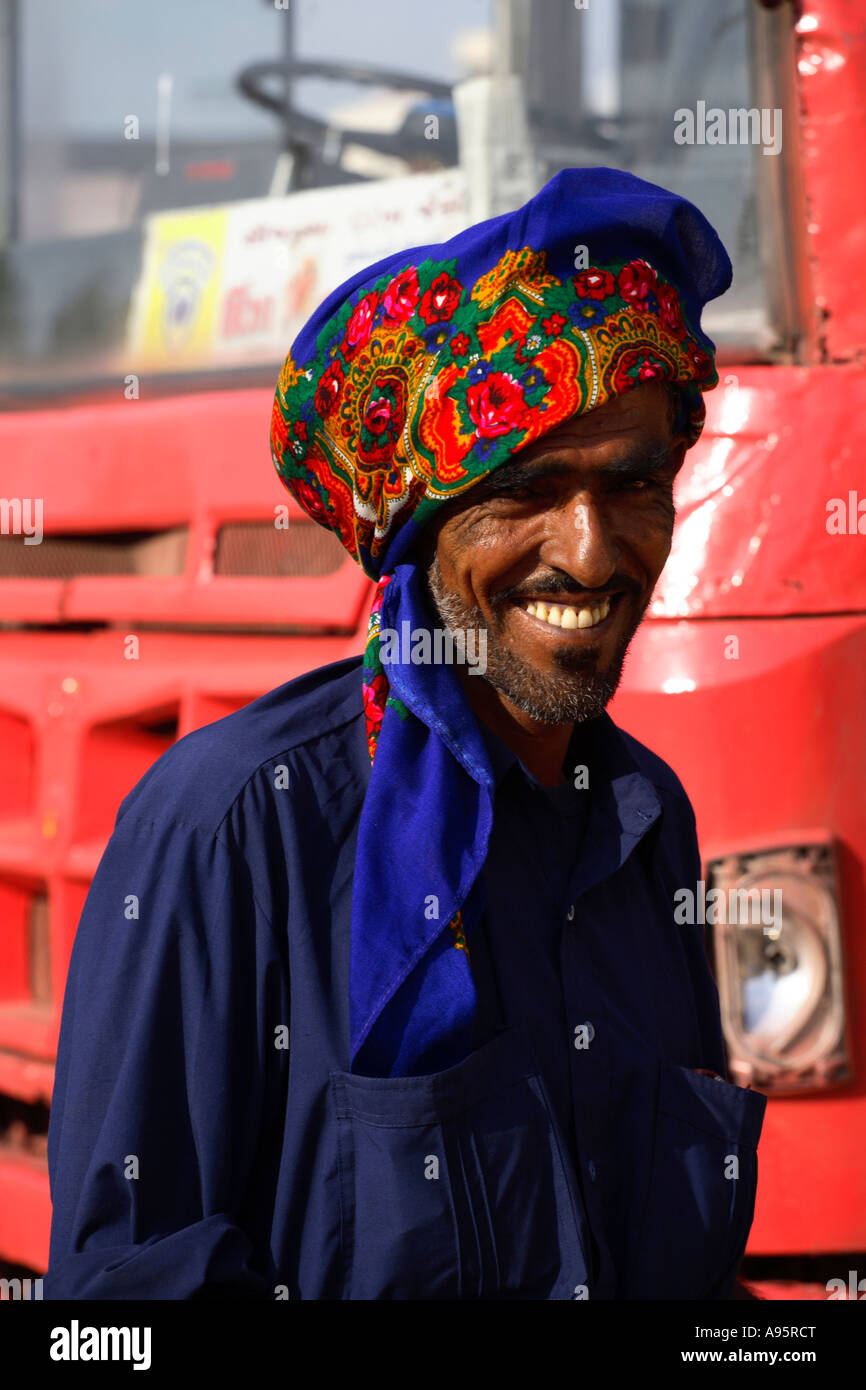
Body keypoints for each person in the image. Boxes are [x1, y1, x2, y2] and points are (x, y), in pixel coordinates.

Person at [44, 167, 766, 1300]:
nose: (588, 551)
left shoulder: (644, 826)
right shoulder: (236, 828)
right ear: (422, 531)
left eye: (631, 483)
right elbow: (119, 1301)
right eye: (525, 489)